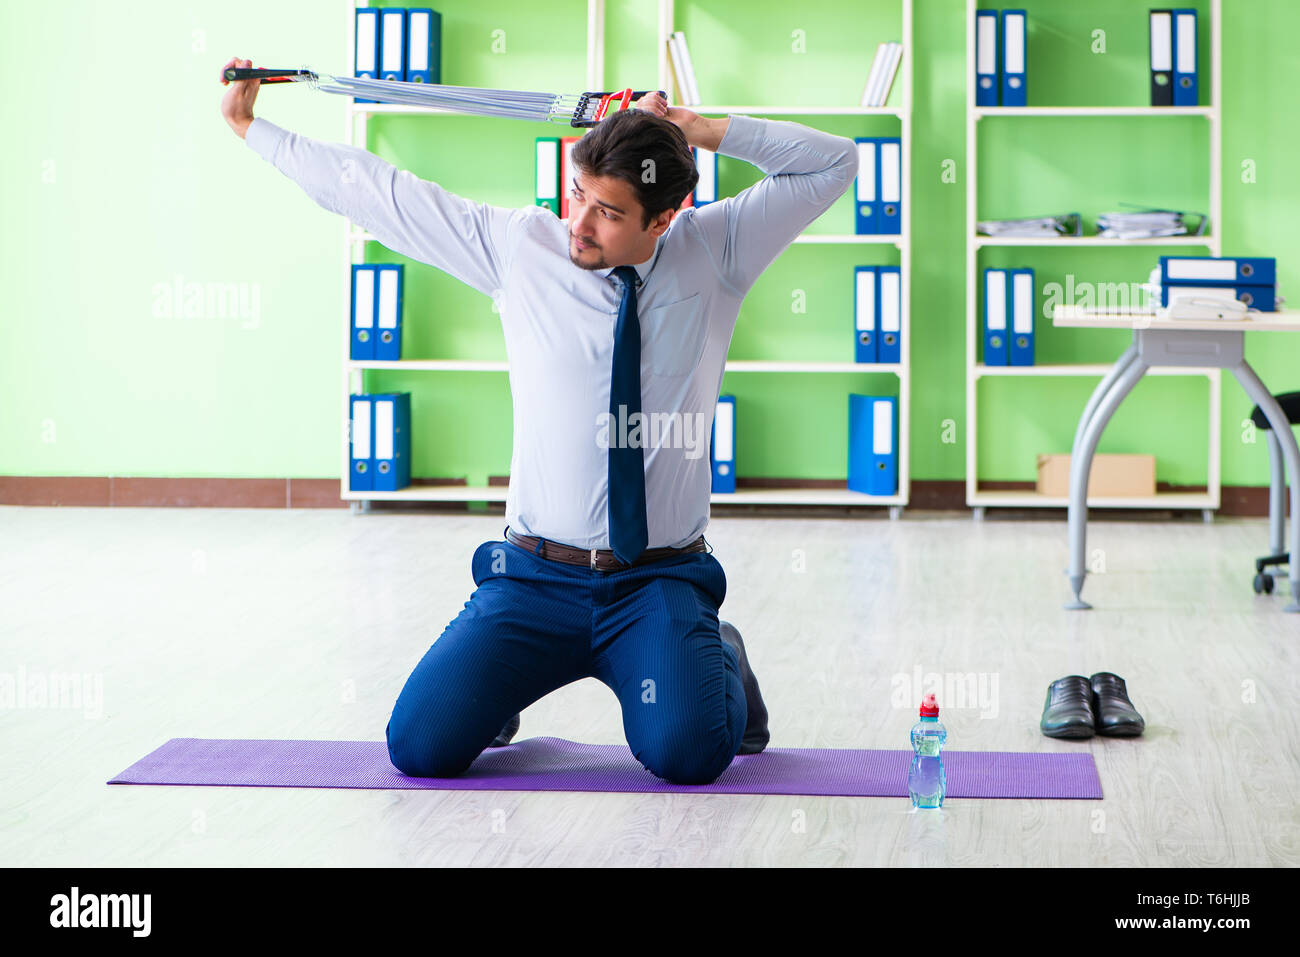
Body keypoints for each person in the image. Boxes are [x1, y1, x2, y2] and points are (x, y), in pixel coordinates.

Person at [220, 57, 858, 785]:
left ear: (664, 216)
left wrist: (699, 128)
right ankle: (499, 684)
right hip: (533, 578)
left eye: (608, 212)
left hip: (656, 580)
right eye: (577, 194)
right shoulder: (524, 248)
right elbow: (377, 193)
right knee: (420, 747)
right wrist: (252, 128)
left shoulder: (716, 252)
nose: (578, 223)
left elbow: (833, 164)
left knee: (689, 756)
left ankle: (718, 650)